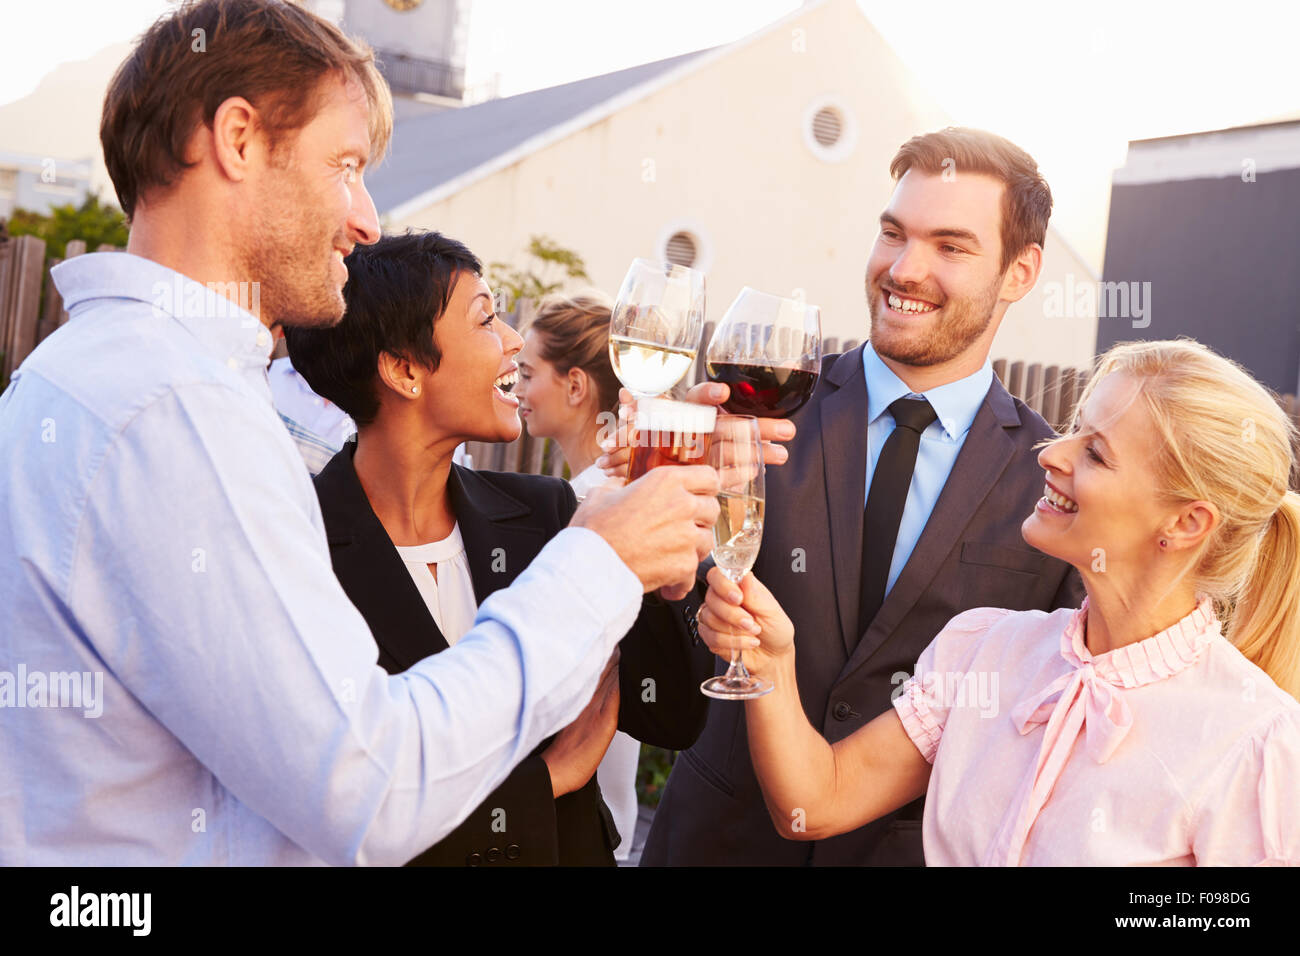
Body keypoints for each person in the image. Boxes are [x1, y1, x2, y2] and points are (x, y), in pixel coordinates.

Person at [0, 0, 720, 865]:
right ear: (237, 140)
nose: (367, 220)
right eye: (344, 166)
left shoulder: (74, 377)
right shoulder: (177, 409)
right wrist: (597, 560)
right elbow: (368, 785)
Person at [633, 127, 1085, 866]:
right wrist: (662, 549)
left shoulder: (1051, 481)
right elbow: (661, 677)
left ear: (1021, 271)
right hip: (713, 844)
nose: (904, 269)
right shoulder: (752, 414)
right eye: (892, 233)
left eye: (950, 245)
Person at [699, 338, 1300, 865]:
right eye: (1074, 430)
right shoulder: (982, 647)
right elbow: (816, 801)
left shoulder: (1256, 742)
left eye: (1095, 452)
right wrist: (771, 661)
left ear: (1188, 522)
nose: (1051, 454)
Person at [286, 233, 714, 865]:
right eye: (487, 319)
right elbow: (342, 804)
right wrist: (544, 783)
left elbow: (672, 716)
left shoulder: (547, 514)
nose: (515, 341)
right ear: (405, 369)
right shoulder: (301, 553)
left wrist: (664, 569)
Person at [515, 290, 646, 862]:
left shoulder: (588, 503)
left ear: (574, 386)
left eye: (526, 372)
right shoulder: (603, 488)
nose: (516, 390)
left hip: (582, 813)